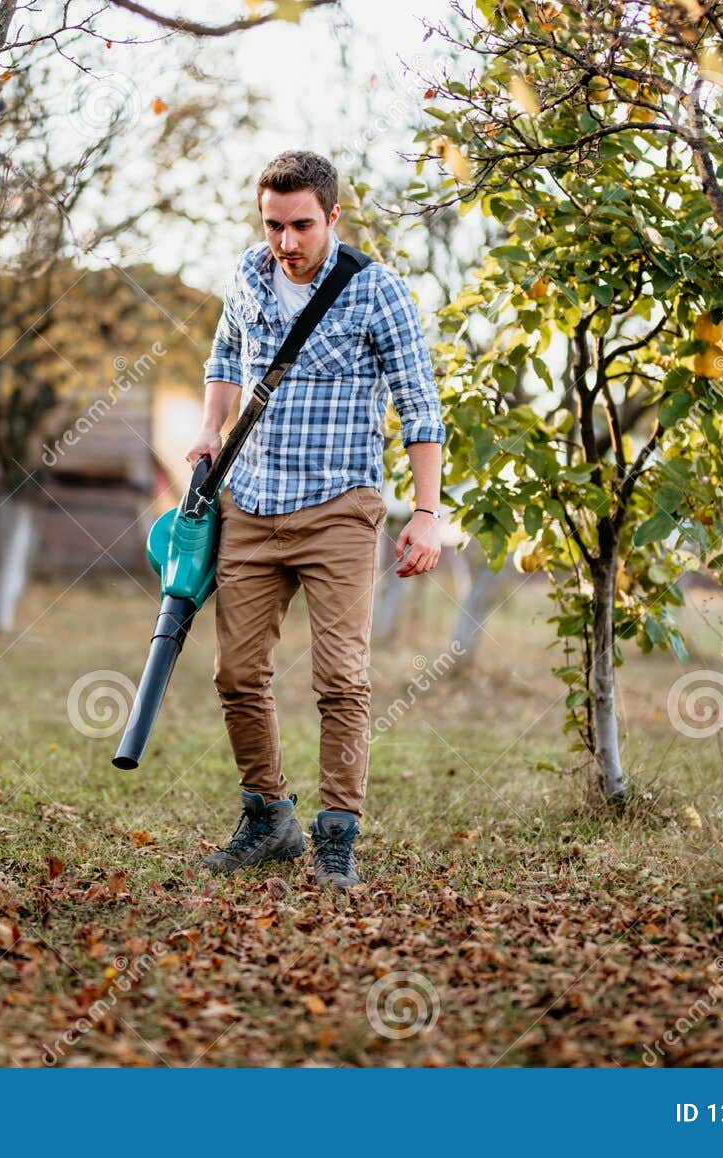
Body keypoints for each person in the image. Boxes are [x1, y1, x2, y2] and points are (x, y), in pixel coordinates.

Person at [185, 150, 446, 890]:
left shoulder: (378, 294)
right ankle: (268, 817)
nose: (286, 242)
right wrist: (212, 426)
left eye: (301, 225)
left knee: (340, 679)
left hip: (339, 506)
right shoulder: (246, 274)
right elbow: (226, 351)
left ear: (333, 215)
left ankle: (338, 832)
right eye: (274, 225)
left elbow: (421, 407)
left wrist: (426, 513)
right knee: (235, 673)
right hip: (252, 502)